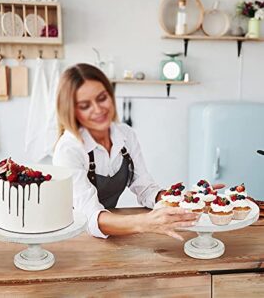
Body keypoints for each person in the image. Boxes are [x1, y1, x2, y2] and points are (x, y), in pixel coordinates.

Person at [53, 63, 222, 240]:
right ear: (72, 111)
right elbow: (89, 217)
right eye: (85, 105)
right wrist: (145, 222)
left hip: (113, 233)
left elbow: (146, 188)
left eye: (102, 98)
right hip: (74, 236)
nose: (98, 109)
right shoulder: (69, 149)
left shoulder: (125, 135)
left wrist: (179, 199)